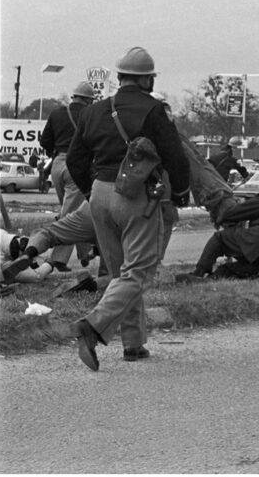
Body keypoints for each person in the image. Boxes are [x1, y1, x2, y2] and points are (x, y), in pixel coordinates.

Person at [64, 46, 191, 371]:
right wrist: (180, 192)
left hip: (99, 195)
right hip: (135, 196)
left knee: (122, 272)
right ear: (148, 79)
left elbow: (76, 159)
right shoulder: (153, 111)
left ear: (120, 77)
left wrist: (92, 191)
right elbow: (175, 157)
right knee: (138, 271)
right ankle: (92, 326)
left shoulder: (94, 111)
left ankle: (133, 345)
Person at [38, 80, 97, 270]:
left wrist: (55, 152)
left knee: (74, 210)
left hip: (57, 164)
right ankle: (58, 259)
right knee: (71, 214)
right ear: (89, 100)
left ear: (74, 96)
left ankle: (84, 253)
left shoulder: (56, 113)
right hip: (78, 166)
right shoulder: (89, 115)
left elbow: (45, 140)